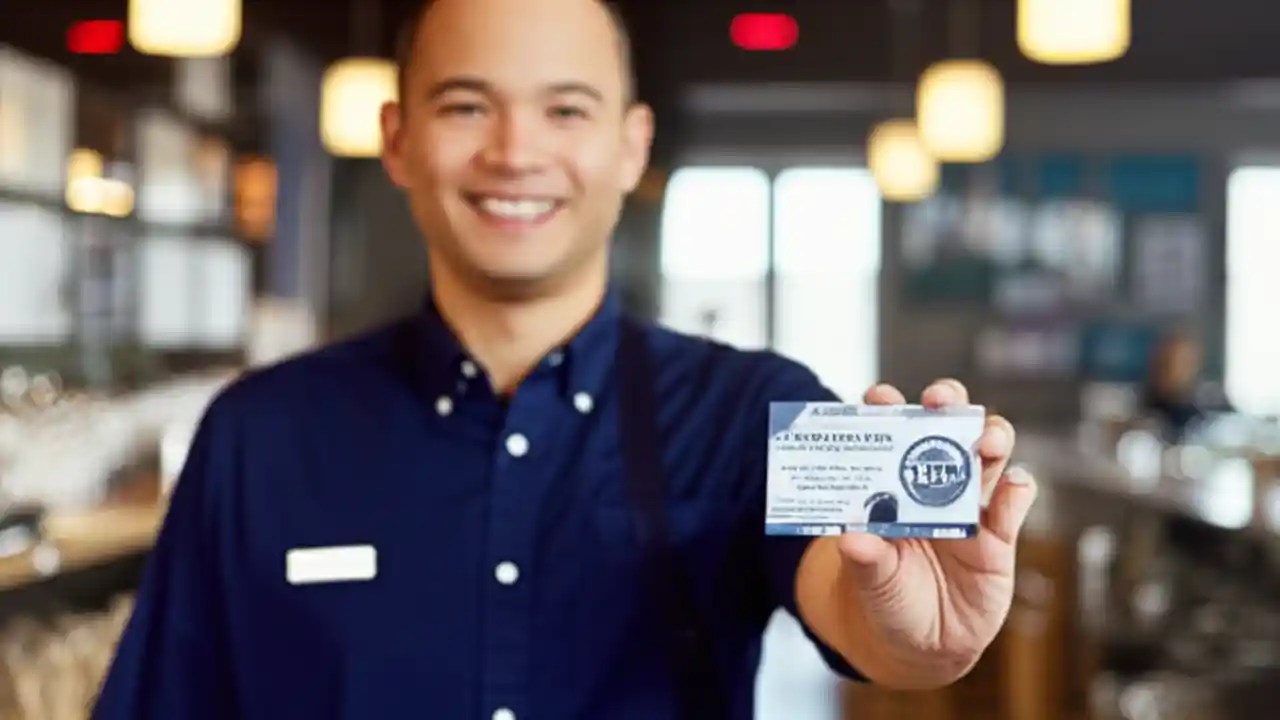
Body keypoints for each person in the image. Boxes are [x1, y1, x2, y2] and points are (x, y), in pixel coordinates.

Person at [92, 0, 1037, 717]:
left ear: (631, 147)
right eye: (468, 105)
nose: (516, 152)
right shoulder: (258, 434)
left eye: (567, 110)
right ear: (398, 140)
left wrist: (920, 638)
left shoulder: (753, 412)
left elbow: (857, 599)